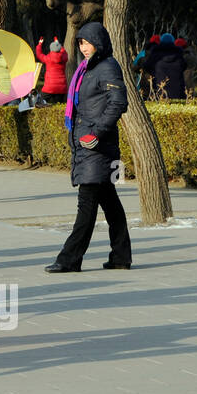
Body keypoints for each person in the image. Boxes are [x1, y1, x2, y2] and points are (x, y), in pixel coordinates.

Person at [46, 22, 133, 272]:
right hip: (88, 145)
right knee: (111, 203)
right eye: (81, 43)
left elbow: (118, 103)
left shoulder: (107, 66)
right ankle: (120, 257)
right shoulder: (87, 68)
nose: (84, 47)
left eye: (88, 42)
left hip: (97, 146)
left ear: (100, 42)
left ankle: (69, 259)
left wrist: (96, 133)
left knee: (86, 205)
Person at [142, 32, 189, 100]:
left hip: (159, 88)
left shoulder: (155, 53)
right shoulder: (178, 53)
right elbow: (184, 66)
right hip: (178, 91)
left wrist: (155, 73)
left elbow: (147, 67)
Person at [35, 37, 69, 104]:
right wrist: (57, 43)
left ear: (51, 49)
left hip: (49, 87)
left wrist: (39, 44)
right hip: (61, 88)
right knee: (58, 105)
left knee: (40, 103)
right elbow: (63, 51)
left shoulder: (48, 58)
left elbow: (39, 54)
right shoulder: (64, 57)